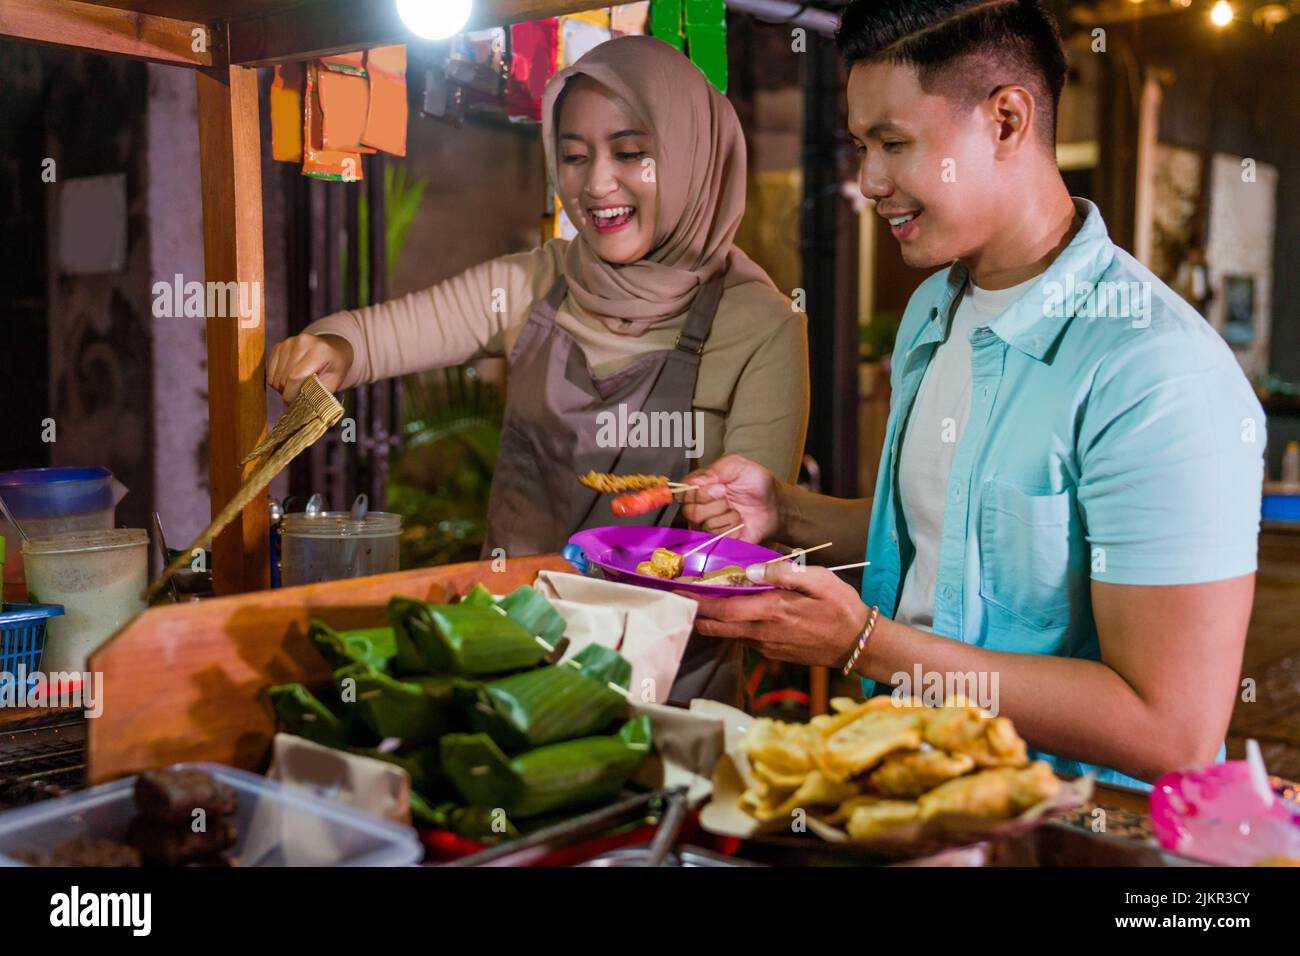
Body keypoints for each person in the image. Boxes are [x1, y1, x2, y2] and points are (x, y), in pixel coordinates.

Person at [682, 0, 1264, 787]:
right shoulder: (934, 310)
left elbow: (1171, 730)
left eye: (893, 143)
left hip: (1065, 832)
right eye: (861, 146)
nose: (870, 182)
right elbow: (942, 543)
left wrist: (864, 646)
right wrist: (783, 512)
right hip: (908, 791)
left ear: (1006, 121)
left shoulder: (1156, 372)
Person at [268, 35, 809, 703]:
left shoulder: (761, 328)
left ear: (692, 155)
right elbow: (387, 333)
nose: (595, 184)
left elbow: (748, 541)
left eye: (632, 153)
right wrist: (333, 348)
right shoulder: (536, 284)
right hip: (509, 661)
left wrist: (720, 521)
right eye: (575, 158)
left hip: (671, 689)